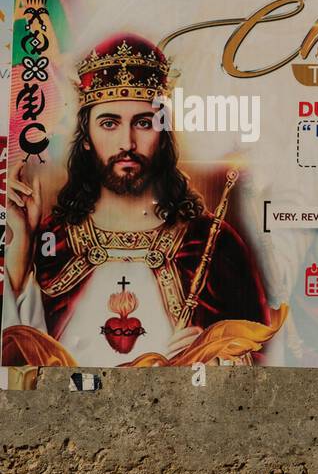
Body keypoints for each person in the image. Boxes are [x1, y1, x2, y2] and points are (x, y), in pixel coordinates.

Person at [4, 34, 269, 367]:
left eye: (143, 123)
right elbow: (17, 367)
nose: (126, 142)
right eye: (110, 123)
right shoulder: (53, 243)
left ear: (163, 134)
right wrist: (18, 259)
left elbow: (262, 361)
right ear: (86, 137)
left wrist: (213, 359)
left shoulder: (213, 246)